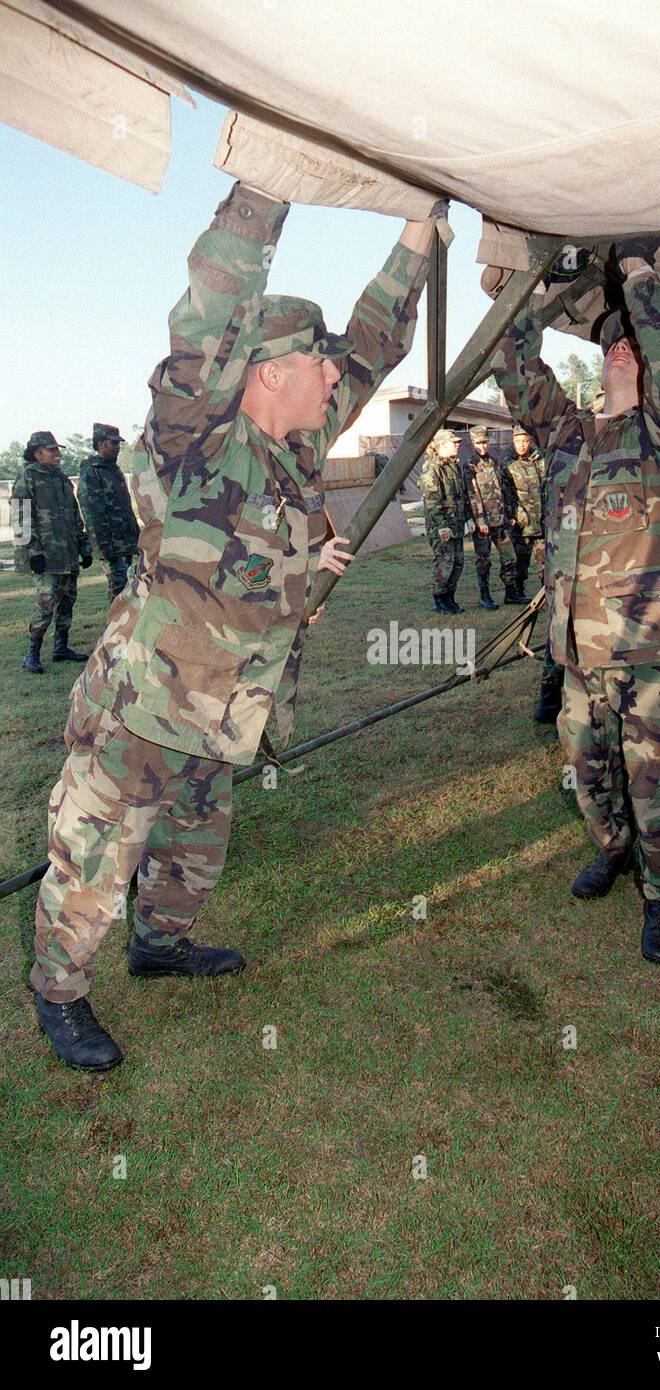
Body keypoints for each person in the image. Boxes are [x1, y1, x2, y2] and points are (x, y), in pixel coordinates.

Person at [30, 180, 434, 1070]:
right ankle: (59, 992)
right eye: (317, 365)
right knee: (99, 855)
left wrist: (417, 235)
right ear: (268, 371)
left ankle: (162, 944)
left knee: (194, 841)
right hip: (142, 706)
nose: (336, 378)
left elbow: (372, 344)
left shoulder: (294, 446)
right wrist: (265, 192)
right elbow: (210, 316)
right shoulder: (195, 441)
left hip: (225, 710)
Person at [492, 236, 660, 963]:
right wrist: (539, 286)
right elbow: (514, 369)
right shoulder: (569, 437)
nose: (621, 350)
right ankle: (614, 851)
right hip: (578, 656)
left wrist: (637, 273)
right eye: (613, 343)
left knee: (658, 784)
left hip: (651, 657)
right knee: (588, 774)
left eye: (633, 349)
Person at [12, 430, 93, 673]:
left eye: (58, 449)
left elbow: (74, 515)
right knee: (46, 603)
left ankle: (61, 648)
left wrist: (84, 546)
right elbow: (20, 517)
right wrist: (32, 551)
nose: (57, 454)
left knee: (67, 601)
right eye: (52, 450)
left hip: (66, 554)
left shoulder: (61, 479)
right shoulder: (27, 478)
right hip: (44, 556)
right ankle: (32, 654)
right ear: (37, 454)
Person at [77, 423, 140, 604]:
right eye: (113, 443)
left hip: (125, 541)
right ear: (101, 444)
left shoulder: (114, 470)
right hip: (111, 544)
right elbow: (92, 514)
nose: (118, 447)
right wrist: (103, 548)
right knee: (119, 591)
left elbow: (126, 508)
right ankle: (114, 629)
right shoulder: (92, 473)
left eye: (118, 443)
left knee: (129, 588)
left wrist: (136, 535)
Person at [461, 424, 520, 608]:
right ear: (472, 443)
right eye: (478, 443)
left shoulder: (495, 461)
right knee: (484, 560)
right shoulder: (469, 465)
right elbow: (472, 495)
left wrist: (509, 513)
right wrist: (480, 520)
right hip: (484, 524)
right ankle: (484, 596)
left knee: (510, 557)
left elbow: (503, 490)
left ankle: (510, 593)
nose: (482, 446)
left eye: (485, 442)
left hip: (500, 520)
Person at [418, 428, 468, 613]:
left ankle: (450, 598)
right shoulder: (432, 470)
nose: (457, 445)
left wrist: (466, 520)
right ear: (440, 445)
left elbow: (461, 496)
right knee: (444, 563)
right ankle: (440, 600)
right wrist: (442, 526)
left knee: (458, 563)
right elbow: (433, 501)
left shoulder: (452, 466)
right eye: (453, 443)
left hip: (456, 524)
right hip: (442, 527)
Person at [500, 424, 545, 599]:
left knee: (543, 559)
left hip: (541, 519)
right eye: (518, 441)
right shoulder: (507, 464)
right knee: (520, 558)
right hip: (521, 521)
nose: (522, 445)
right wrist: (518, 515)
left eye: (525, 441)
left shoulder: (540, 459)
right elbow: (506, 493)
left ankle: (545, 592)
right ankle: (516, 591)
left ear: (530, 441)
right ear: (513, 441)